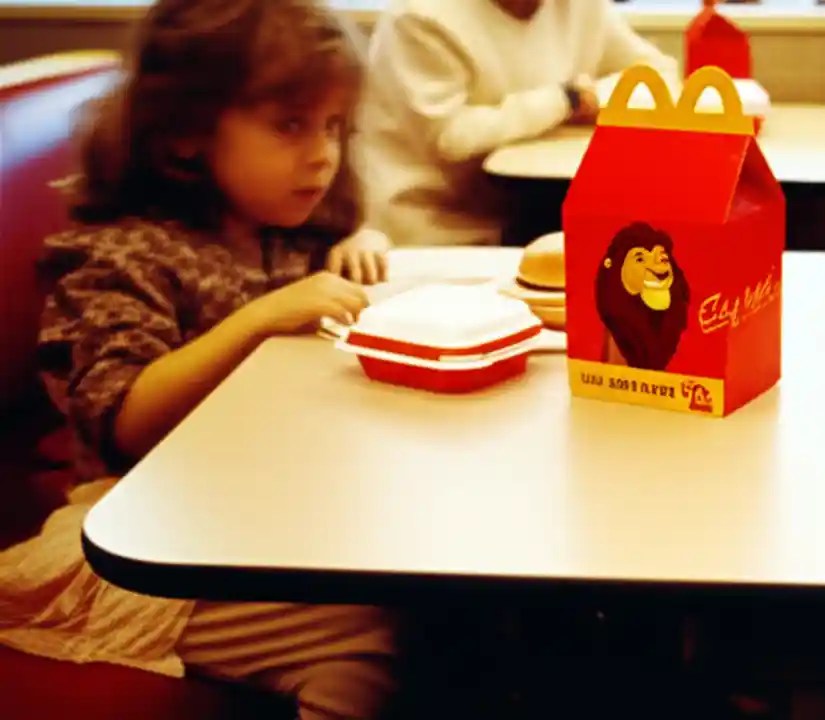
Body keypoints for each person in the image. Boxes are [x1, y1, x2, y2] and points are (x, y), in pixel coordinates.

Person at [0, 2, 401, 718]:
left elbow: (315, 274)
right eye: (291, 125)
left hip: (240, 520)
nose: (324, 154)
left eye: (336, 127)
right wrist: (259, 322)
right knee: (374, 634)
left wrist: (358, 236)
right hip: (137, 549)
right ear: (186, 133)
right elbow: (126, 420)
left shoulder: (276, 228)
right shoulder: (120, 257)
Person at [354, 0, 679, 247]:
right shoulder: (419, 15)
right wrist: (564, 100)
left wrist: (589, 98)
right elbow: (450, 138)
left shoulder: (579, 7)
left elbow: (658, 73)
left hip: (531, 211)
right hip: (430, 230)